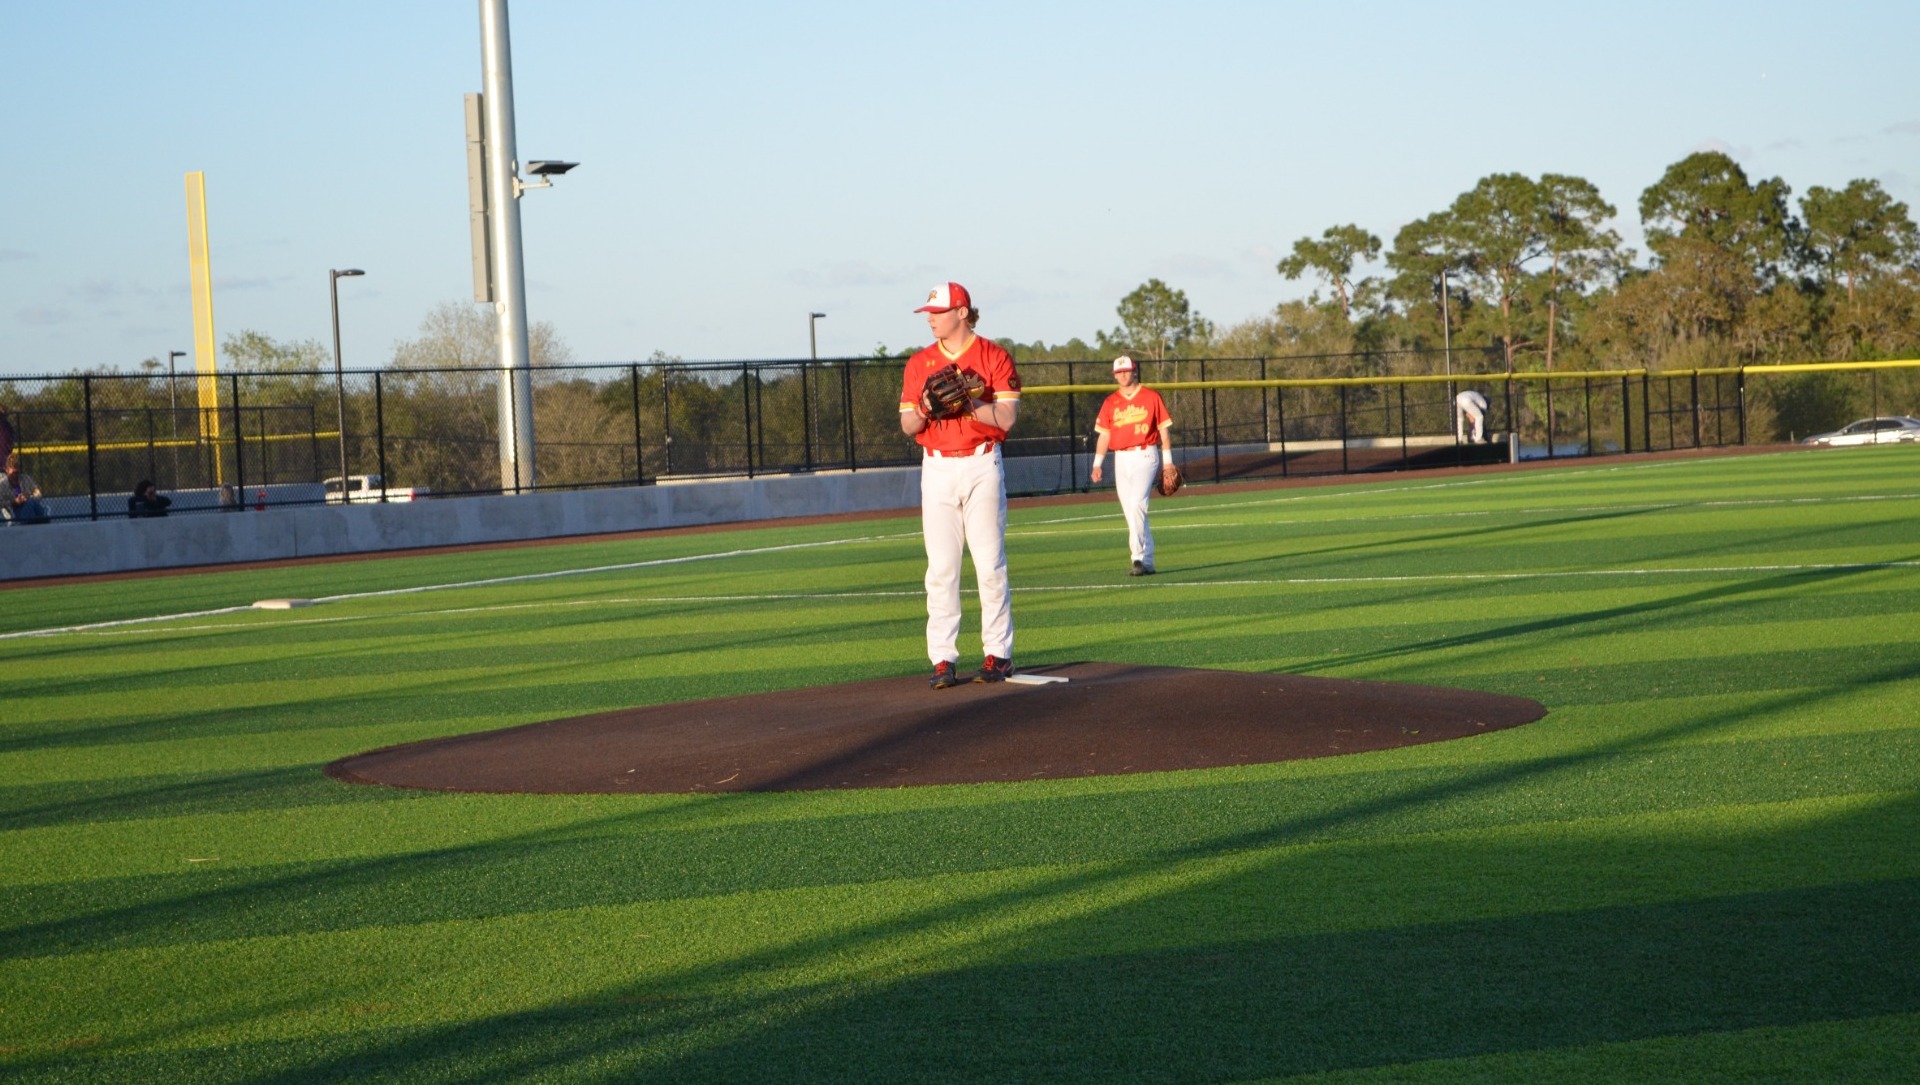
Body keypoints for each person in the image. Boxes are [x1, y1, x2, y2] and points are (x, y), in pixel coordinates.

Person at [899, 281, 1022, 689]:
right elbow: (907, 424)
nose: (930, 319)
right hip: (935, 468)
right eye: (929, 313)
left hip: (981, 463)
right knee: (942, 570)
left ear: (962, 313)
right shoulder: (919, 363)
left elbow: (1006, 419)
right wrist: (925, 408)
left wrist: (970, 402)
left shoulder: (994, 356)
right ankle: (942, 660)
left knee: (989, 565)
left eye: (938, 312)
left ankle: (998, 654)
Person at [1089, 355, 1174, 576]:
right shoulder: (1110, 402)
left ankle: (1137, 558)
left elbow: (1164, 431)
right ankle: (1149, 561)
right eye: (1119, 372)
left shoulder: (1151, 396)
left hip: (1145, 454)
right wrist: (1097, 464)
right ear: (1114, 375)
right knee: (1132, 512)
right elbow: (1104, 436)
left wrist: (1168, 464)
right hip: (1121, 458)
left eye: (1126, 370)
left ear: (1134, 371)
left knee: (1137, 504)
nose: (1123, 375)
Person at [2, 452, 49, 524]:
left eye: (17, 473)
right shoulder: (3, 485)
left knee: (30, 502)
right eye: (13, 473)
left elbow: (38, 492)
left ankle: (41, 519)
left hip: (29, 507)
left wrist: (29, 497)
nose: (16, 476)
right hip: (15, 512)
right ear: (7, 470)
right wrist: (15, 502)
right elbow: (1, 503)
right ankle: (43, 519)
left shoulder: (25, 478)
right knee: (31, 504)